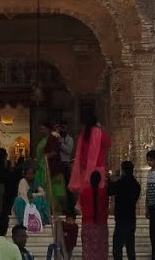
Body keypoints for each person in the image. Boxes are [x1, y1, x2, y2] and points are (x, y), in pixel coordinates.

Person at [68, 111, 111, 260]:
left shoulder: (82, 136)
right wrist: (101, 129)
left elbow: (79, 155)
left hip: (87, 170)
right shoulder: (98, 132)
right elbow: (108, 144)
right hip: (97, 169)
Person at [108, 160, 140, 260]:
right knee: (130, 249)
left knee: (117, 248)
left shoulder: (120, 183)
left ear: (123, 170)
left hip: (121, 219)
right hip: (131, 219)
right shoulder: (136, 185)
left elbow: (109, 191)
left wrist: (109, 179)